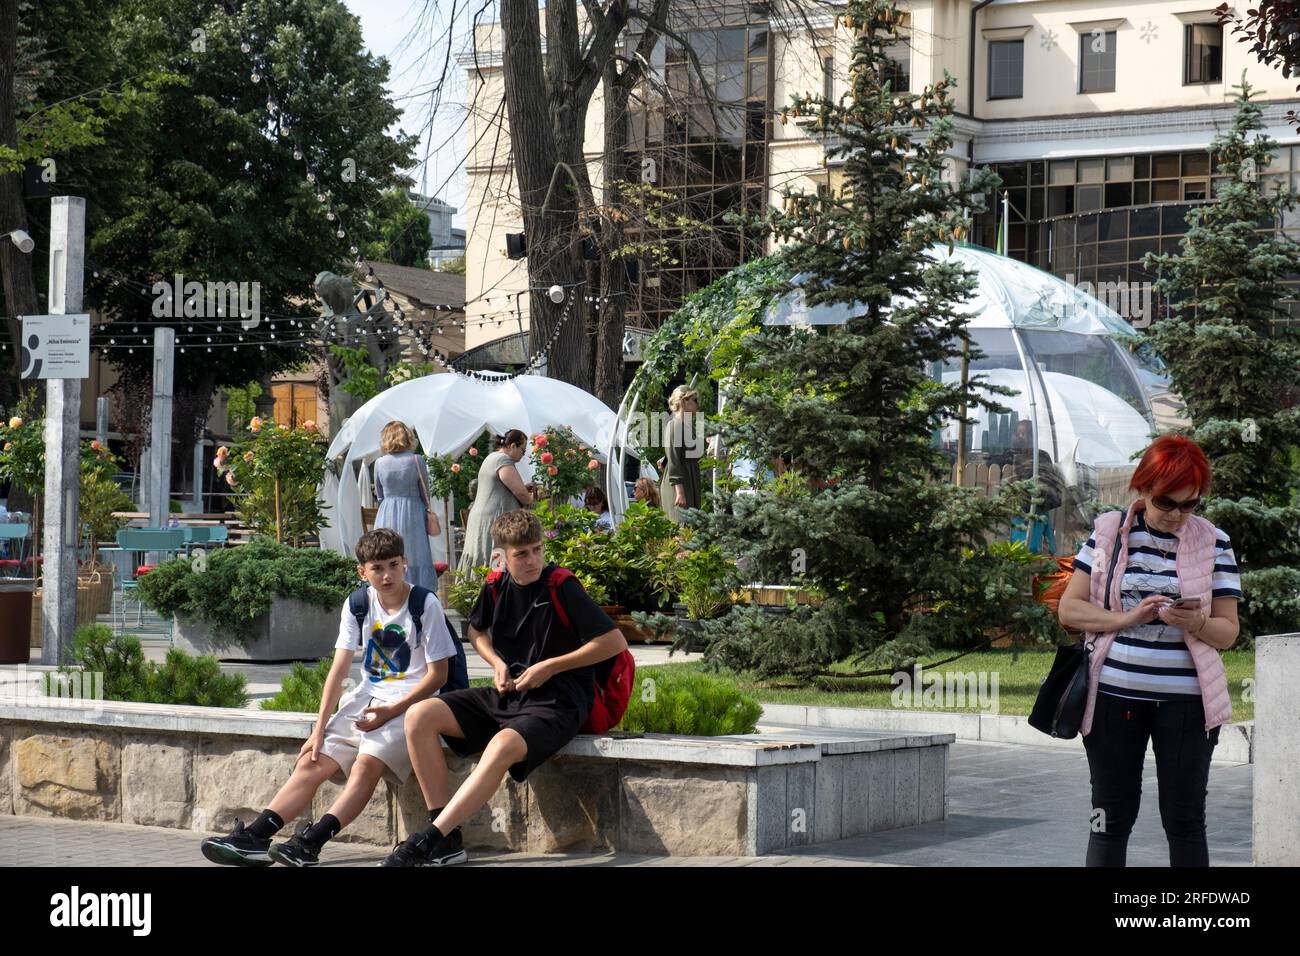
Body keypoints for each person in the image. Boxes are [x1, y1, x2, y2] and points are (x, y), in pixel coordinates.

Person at [200, 529, 461, 867]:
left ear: (405, 564)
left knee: (366, 765)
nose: (386, 575)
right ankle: (256, 836)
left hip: (409, 705)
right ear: (362, 572)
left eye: (393, 565)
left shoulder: (424, 604)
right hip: (366, 699)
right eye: (377, 568)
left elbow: (437, 676)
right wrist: (318, 730)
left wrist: (389, 712)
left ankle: (310, 843)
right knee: (313, 760)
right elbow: (338, 672)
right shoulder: (357, 604)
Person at [381, 509, 628, 866]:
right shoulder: (496, 585)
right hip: (509, 694)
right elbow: (476, 632)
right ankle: (447, 839)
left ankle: (429, 840)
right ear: (501, 556)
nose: (532, 560)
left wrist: (551, 666)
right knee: (420, 715)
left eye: (537, 550)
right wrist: (496, 663)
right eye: (521, 554)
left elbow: (614, 642)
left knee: (500, 745)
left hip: (559, 702)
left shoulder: (562, 585)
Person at [1057, 434, 1242, 868]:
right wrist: (1126, 619)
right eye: (1167, 502)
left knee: (1185, 818)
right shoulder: (1107, 533)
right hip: (1113, 697)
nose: (1177, 515)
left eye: (1189, 504)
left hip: (1188, 704)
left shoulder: (1215, 542)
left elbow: (1228, 632)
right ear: (1143, 488)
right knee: (1109, 814)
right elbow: (1070, 608)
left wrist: (1196, 622)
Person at [457, 429, 538, 573]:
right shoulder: (503, 460)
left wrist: (524, 488)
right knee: (495, 564)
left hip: (483, 518)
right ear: (513, 446)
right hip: (493, 520)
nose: (522, 455)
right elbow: (522, 495)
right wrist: (536, 497)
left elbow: (500, 488)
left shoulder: (491, 457)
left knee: (484, 563)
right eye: (523, 451)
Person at [373, 421, 440, 591]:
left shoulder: (379, 463)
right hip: (413, 512)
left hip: (386, 511)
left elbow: (380, 495)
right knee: (415, 554)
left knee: (387, 552)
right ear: (407, 437)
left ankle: (388, 590)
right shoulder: (417, 460)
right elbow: (425, 492)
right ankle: (418, 592)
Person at [660, 385, 703, 524]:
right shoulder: (675, 425)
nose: (698, 404)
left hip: (689, 480)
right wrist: (680, 493)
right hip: (680, 486)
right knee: (682, 528)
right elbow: (674, 460)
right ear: (684, 401)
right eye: (695, 400)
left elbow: (683, 453)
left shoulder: (687, 426)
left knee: (690, 528)